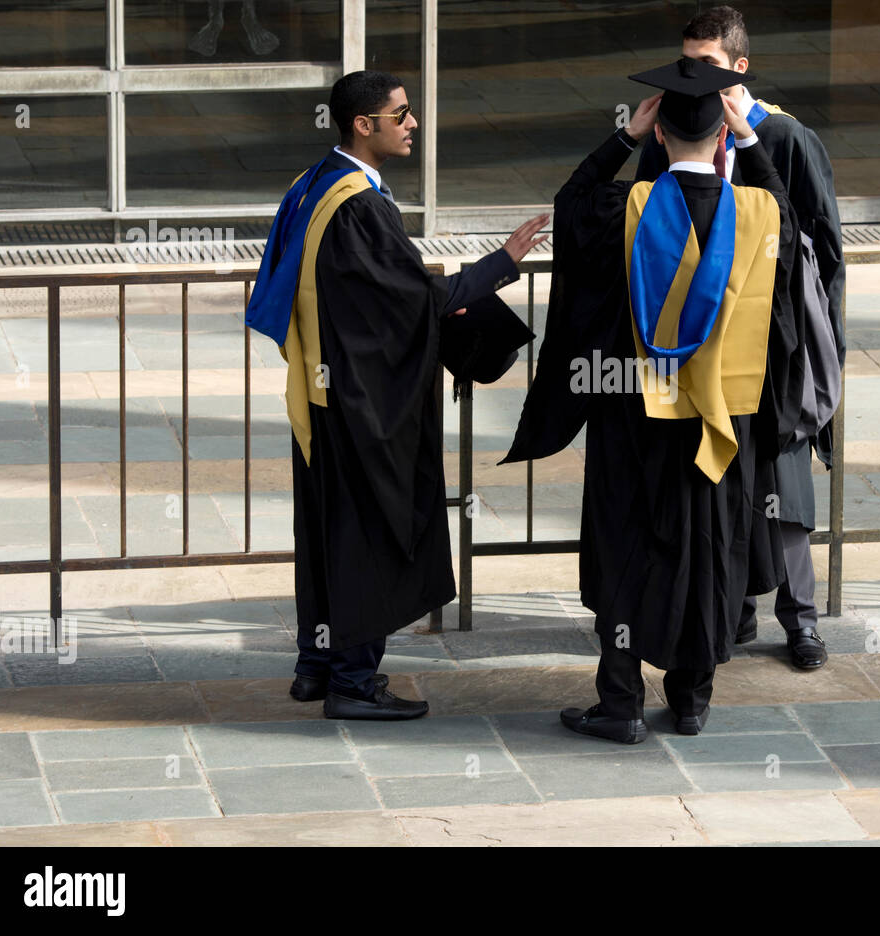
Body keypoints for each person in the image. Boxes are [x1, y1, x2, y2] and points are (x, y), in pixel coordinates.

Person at [503, 58, 806, 743]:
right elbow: (787, 216)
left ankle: (620, 703)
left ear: (658, 133)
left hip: (632, 416)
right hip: (720, 422)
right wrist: (750, 145)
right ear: (724, 137)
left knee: (624, 549)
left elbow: (572, 202)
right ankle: (692, 699)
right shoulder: (758, 216)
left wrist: (621, 142)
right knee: (706, 551)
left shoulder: (623, 212)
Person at [247, 70, 547, 721]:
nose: (412, 124)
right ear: (364, 124)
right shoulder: (360, 205)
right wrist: (501, 265)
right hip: (361, 407)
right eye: (401, 114)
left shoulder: (312, 185)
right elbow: (417, 302)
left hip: (320, 394)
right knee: (370, 535)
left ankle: (317, 664)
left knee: (328, 532)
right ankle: (353, 682)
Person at [637, 5, 847, 671]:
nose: (694, 78)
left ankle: (802, 622)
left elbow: (825, 251)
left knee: (783, 489)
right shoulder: (667, 134)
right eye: (686, 65)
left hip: (772, 345)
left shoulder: (782, 137)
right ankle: (734, 615)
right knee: (720, 486)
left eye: (709, 66)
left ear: (741, 66)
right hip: (698, 345)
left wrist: (822, 357)